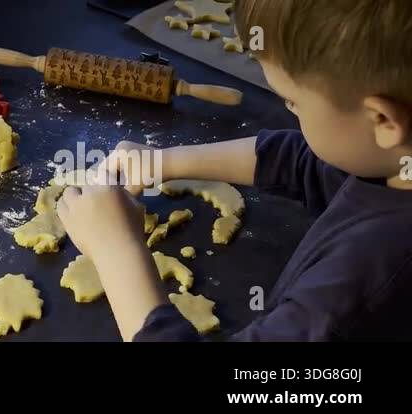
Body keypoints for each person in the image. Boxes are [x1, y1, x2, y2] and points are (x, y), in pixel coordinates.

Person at [56, 0, 412, 342]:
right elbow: (301, 162)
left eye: (293, 102)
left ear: (382, 119)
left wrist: (116, 251)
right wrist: (163, 162)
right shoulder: (390, 162)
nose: (289, 111)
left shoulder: (357, 293)